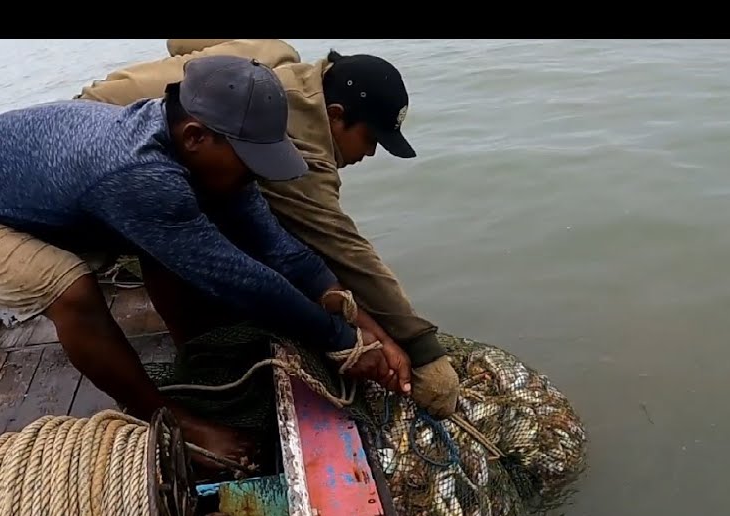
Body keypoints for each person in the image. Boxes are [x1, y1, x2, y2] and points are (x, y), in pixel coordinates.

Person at [0, 55, 400, 469]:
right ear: (197, 137)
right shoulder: (139, 172)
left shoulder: (201, 150)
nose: (256, 174)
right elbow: (240, 280)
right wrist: (339, 343)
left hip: (46, 203)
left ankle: (198, 360)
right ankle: (167, 417)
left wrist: (357, 318)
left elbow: (275, 246)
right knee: (73, 291)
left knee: (177, 244)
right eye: (252, 161)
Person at [77, 39, 462, 419]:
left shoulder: (276, 61)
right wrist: (415, 345)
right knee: (177, 249)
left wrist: (370, 328)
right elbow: (339, 246)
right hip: (106, 148)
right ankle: (187, 382)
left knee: (249, 221)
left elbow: (288, 251)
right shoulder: (288, 136)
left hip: (137, 114)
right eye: (371, 138)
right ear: (335, 114)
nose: (372, 153)